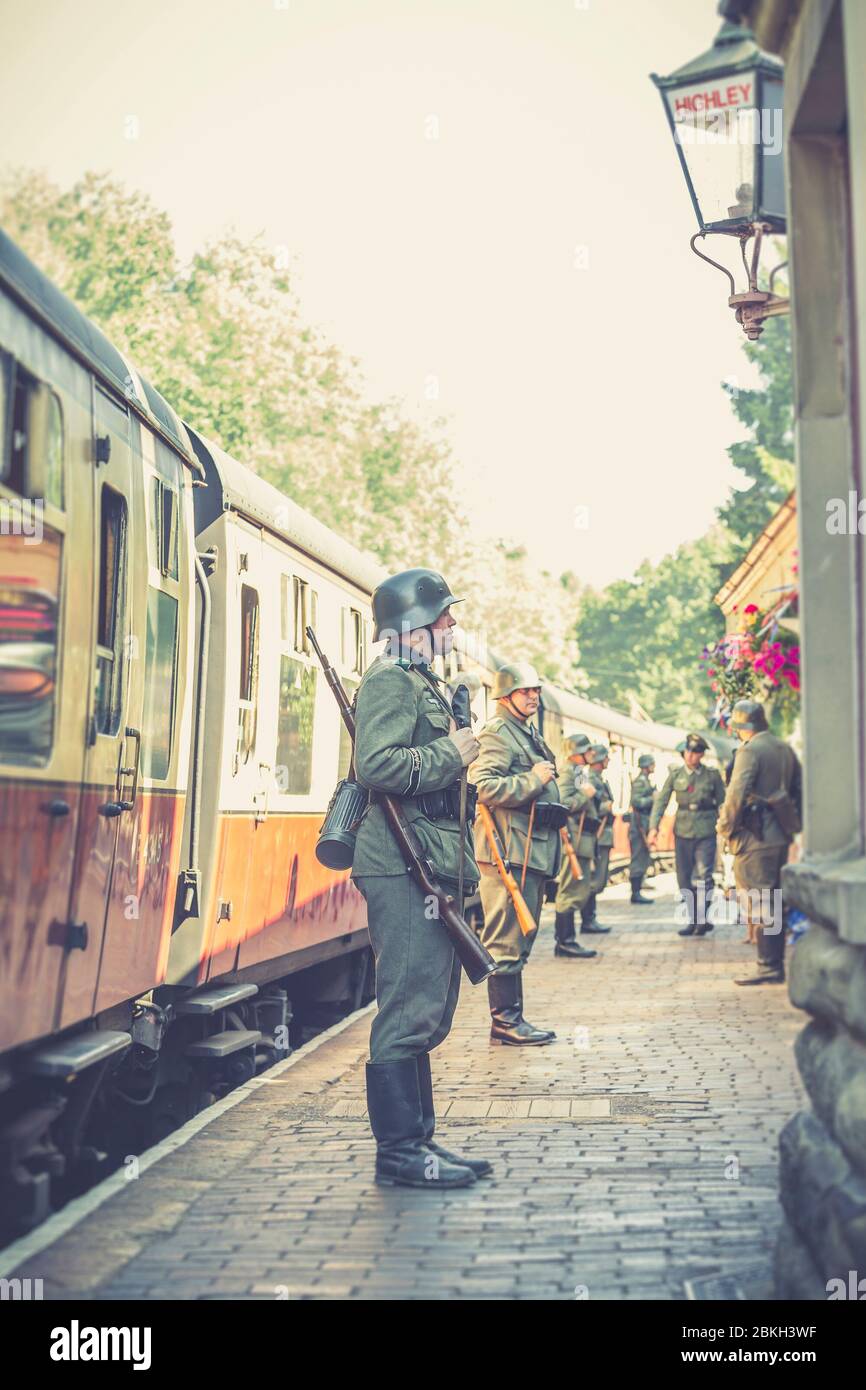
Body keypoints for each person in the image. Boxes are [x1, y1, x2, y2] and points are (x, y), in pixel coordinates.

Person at [352, 567, 491, 1188]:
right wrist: (452, 754)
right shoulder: (389, 681)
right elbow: (375, 765)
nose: (452, 626)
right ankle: (401, 1155)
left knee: (425, 1006)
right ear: (413, 626)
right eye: (442, 618)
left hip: (428, 856)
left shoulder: (418, 682)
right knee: (407, 1008)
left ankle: (421, 1143)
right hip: (400, 862)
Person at [471, 662, 564, 1044]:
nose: (533, 697)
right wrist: (534, 779)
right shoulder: (498, 733)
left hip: (528, 851)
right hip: (508, 853)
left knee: (519, 940)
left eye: (536, 691)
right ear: (505, 695)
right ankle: (505, 1023)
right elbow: (482, 785)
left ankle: (513, 1020)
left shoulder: (524, 732)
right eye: (526, 691)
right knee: (506, 940)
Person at [717, 699, 802, 985]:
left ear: (742, 727)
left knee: (760, 901)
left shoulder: (750, 750)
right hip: (780, 835)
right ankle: (773, 965)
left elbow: (736, 793)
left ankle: (768, 967)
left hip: (755, 836)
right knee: (774, 900)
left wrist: (725, 827)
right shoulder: (784, 748)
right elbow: (799, 791)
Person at [647, 733, 726, 936]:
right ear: (684, 753)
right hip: (682, 831)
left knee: (704, 876)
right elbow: (661, 801)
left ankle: (702, 919)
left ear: (701, 755)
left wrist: (727, 829)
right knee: (684, 879)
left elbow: (723, 804)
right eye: (689, 752)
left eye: (696, 753)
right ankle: (693, 920)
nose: (691, 756)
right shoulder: (675, 775)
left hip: (706, 830)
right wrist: (654, 828)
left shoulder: (712, 775)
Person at [552, 732, 599, 959]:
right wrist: (584, 796)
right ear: (577, 753)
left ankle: (567, 940)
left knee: (576, 890)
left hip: (583, 839)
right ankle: (565, 941)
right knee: (569, 891)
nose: (592, 754)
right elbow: (562, 803)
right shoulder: (568, 773)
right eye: (588, 750)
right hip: (573, 839)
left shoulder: (579, 772)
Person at [581, 743, 615, 934]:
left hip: (604, 834)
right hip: (598, 835)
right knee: (595, 880)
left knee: (598, 880)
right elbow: (589, 808)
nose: (608, 760)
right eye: (606, 757)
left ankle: (590, 918)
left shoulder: (598, 779)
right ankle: (588, 920)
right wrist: (605, 808)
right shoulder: (591, 780)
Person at [628, 755, 656, 904]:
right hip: (639, 825)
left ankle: (638, 889)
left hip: (643, 824)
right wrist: (653, 798)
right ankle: (635, 893)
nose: (654, 766)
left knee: (642, 856)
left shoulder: (646, 780)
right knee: (638, 857)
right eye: (652, 764)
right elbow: (636, 801)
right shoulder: (640, 782)